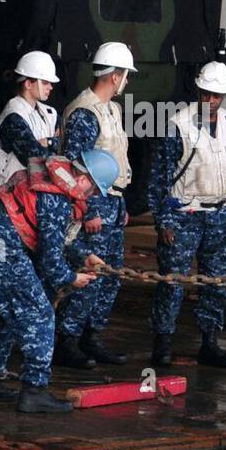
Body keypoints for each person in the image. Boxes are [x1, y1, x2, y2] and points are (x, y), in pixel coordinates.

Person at [0, 150, 119, 413]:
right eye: (95, 191)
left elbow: (53, 236)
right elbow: (50, 259)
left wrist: (84, 256)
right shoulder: (56, 198)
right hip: (0, 248)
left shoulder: (54, 183)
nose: (93, 197)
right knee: (39, 314)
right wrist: (71, 278)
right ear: (86, 179)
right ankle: (35, 390)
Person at [148, 62, 226, 368]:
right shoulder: (179, 125)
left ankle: (209, 342)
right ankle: (162, 342)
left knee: (216, 283)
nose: (211, 100)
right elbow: (159, 178)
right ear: (198, 90)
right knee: (172, 283)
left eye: (217, 95)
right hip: (184, 215)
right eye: (206, 94)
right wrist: (164, 220)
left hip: (220, 215)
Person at [55, 42, 137, 369]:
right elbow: (76, 167)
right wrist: (87, 210)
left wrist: (121, 202)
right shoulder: (85, 113)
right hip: (94, 201)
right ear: (115, 76)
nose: (127, 81)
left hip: (113, 200)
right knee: (89, 269)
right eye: (126, 75)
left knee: (109, 274)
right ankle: (67, 340)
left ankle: (91, 335)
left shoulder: (112, 109)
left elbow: (115, 158)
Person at [0, 51, 61, 185]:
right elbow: (35, 157)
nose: (50, 87)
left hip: (37, 191)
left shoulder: (49, 112)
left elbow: (68, 142)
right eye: (45, 82)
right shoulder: (13, 116)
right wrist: (54, 144)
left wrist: (48, 142)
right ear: (28, 84)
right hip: (14, 193)